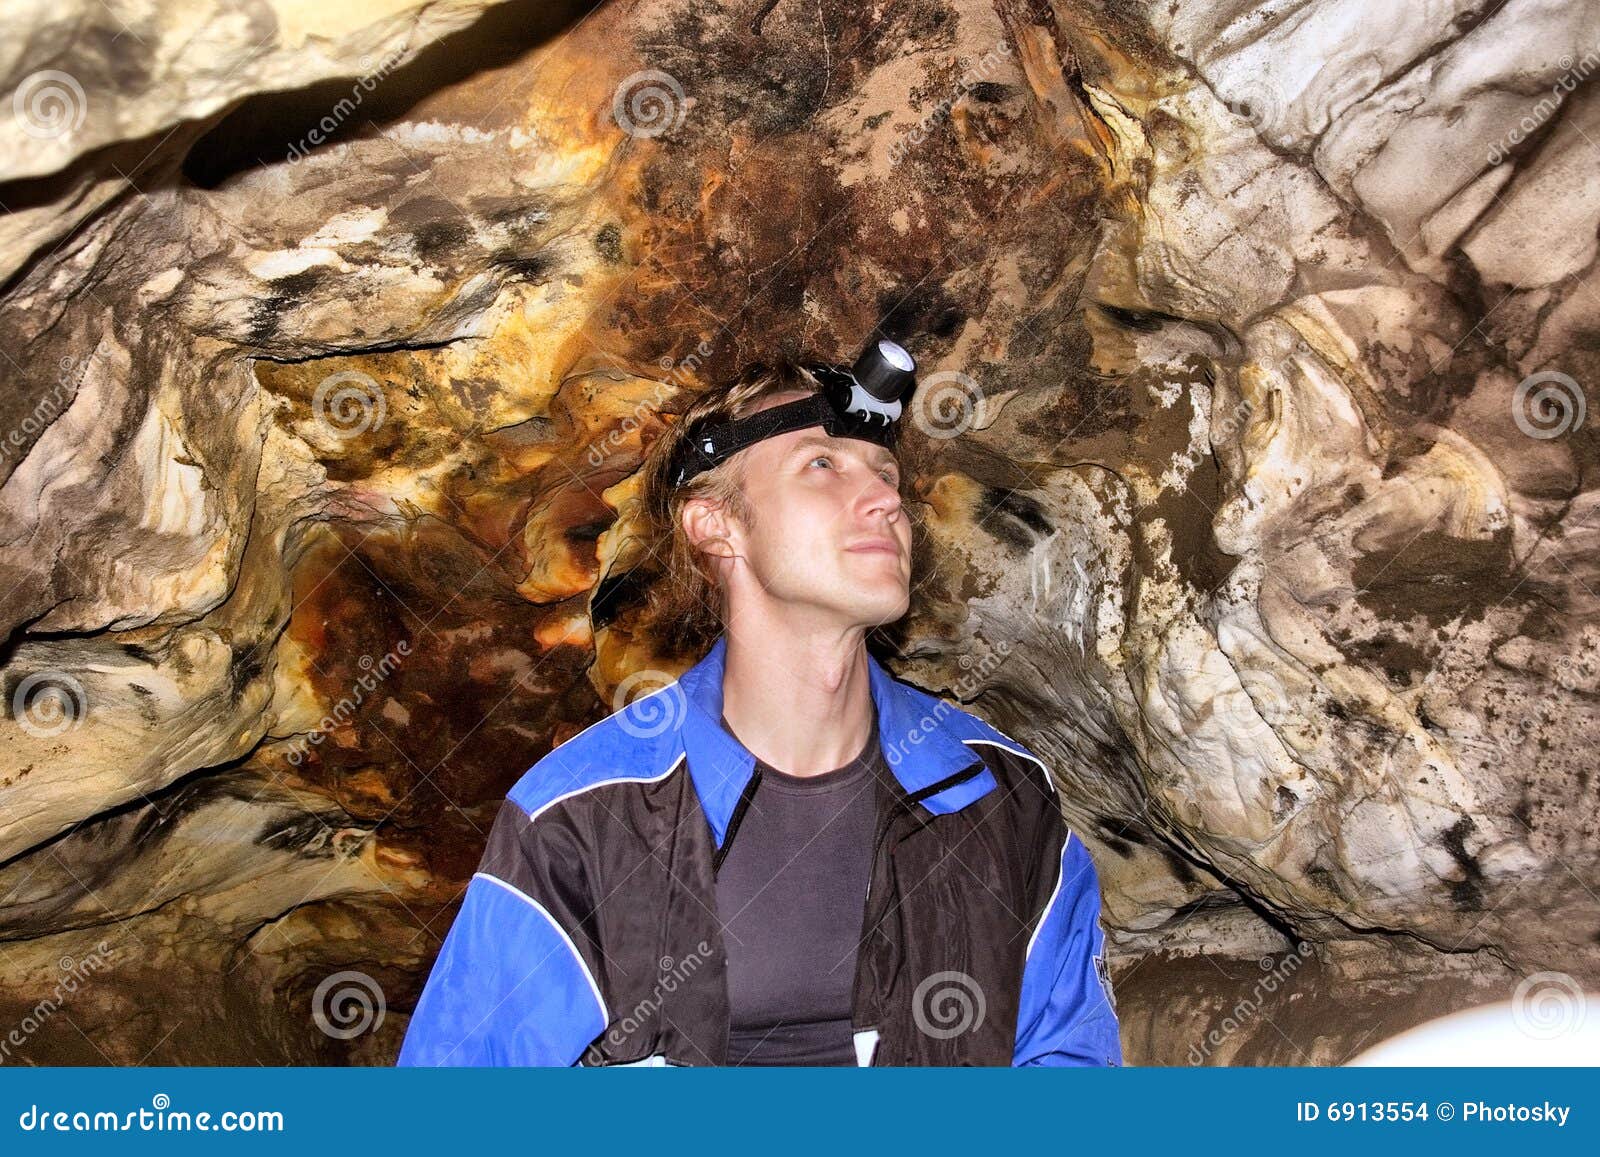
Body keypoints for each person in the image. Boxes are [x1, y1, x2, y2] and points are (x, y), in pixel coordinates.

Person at [395, 346, 1122, 1066]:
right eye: (822, 465)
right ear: (714, 524)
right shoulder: (586, 822)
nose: (885, 499)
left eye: (886, 473)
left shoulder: (1002, 799)